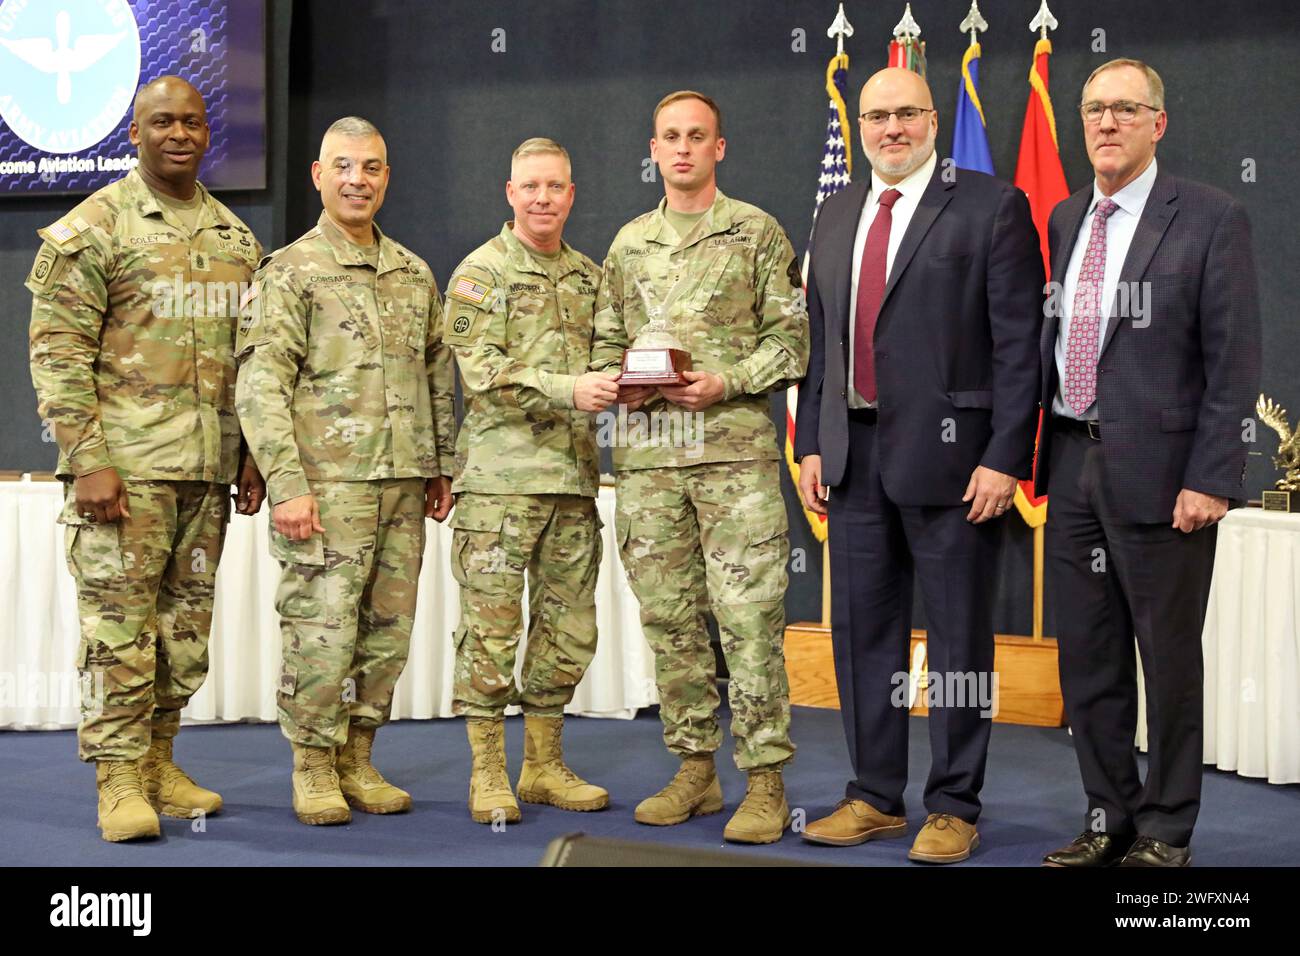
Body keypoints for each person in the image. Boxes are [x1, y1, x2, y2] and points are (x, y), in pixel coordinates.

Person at [795, 68, 1042, 863]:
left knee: (960, 641)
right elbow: (819, 343)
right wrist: (809, 441)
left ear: (934, 120)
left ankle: (954, 804)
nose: (890, 128)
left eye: (906, 113)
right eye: (876, 116)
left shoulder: (990, 206)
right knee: (862, 635)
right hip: (852, 457)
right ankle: (873, 797)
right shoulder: (836, 213)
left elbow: (1019, 347)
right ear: (858, 125)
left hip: (956, 463)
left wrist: (1006, 457)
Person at [27, 76, 265, 842]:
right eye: (162, 121)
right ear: (134, 133)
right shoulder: (93, 228)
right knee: (119, 636)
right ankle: (118, 779)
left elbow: (254, 362)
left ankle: (162, 760)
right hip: (124, 478)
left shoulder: (236, 239)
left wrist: (254, 454)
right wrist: (87, 458)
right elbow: (57, 353)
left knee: (182, 636)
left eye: (192, 121)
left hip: (205, 475)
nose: (179, 133)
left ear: (207, 133)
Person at [1037, 60, 1261, 868]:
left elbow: (1234, 360)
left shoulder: (1208, 216)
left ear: (1158, 123)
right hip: (1070, 464)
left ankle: (1167, 826)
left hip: (1166, 480)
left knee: (1167, 662)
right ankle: (1108, 816)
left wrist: (1212, 476)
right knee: (1088, 661)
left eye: (1126, 109)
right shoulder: (1066, 218)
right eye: (1094, 109)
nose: (1106, 123)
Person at [591, 91, 809, 844]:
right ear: (653, 149)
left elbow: (792, 345)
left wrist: (727, 381)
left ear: (720, 148)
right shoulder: (627, 246)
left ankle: (766, 781)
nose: (682, 149)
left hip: (733, 460)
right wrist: (618, 381)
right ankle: (694, 768)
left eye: (697, 137)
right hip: (650, 464)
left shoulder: (755, 232)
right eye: (669, 138)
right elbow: (603, 345)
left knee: (749, 622)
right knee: (670, 622)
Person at [236, 116, 457, 826]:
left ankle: (359, 757)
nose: (357, 179)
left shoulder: (412, 271)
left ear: (386, 177)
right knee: (321, 630)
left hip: (402, 485)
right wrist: (287, 483)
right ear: (318, 175)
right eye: (344, 166)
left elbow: (438, 373)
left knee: (386, 634)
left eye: (371, 168)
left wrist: (442, 464)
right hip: (327, 489)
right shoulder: (290, 270)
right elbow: (261, 384)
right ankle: (311, 764)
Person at [442, 137, 618, 824]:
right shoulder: (479, 274)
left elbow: (613, 358)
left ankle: (542, 765)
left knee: (568, 629)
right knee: (490, 631)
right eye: (531, 187)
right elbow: (482, 373)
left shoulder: (590, 277)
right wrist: (573, 388)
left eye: (556, 187)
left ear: (572, 195)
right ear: (509, 193)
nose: (543, 198)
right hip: (498, 486)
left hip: (572, 484)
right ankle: (488, 770)